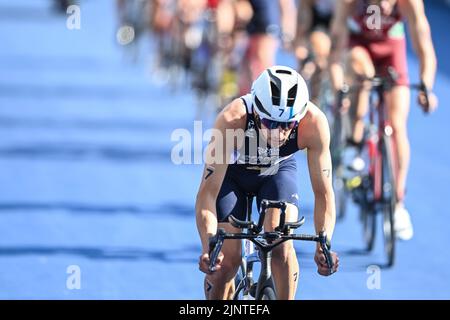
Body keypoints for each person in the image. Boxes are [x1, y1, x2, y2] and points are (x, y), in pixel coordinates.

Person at [195, 65, 339, 300]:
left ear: (299, 119)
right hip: (233, 175)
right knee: (225, 264)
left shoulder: (314, 123)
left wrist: (324, 244)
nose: (279, 133)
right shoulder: (232, 119)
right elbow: (207, 194)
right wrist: (209, 244)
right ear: (256, 113)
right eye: (270, 123)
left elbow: (323, 193)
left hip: (278, 171)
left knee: (280, 244)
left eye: (288, 125)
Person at [329, 0, 438, 241]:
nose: (384, 6)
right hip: (359, 48)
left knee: (397, 125)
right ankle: (353, 143)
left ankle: (398, 203)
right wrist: (339, 91)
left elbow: (424, 47)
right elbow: (335, 53)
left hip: (391, 51)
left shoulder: (409, 2)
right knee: (362, 75)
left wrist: (426, 87)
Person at [294, 0, 336, 104]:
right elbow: (303, 24)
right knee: (306, 58)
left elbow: (340, 25)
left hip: (335, 27)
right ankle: (302, 97)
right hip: (316, 27)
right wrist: (300, 44)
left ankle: (332, 98)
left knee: (323, 61)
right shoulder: (308, 6)